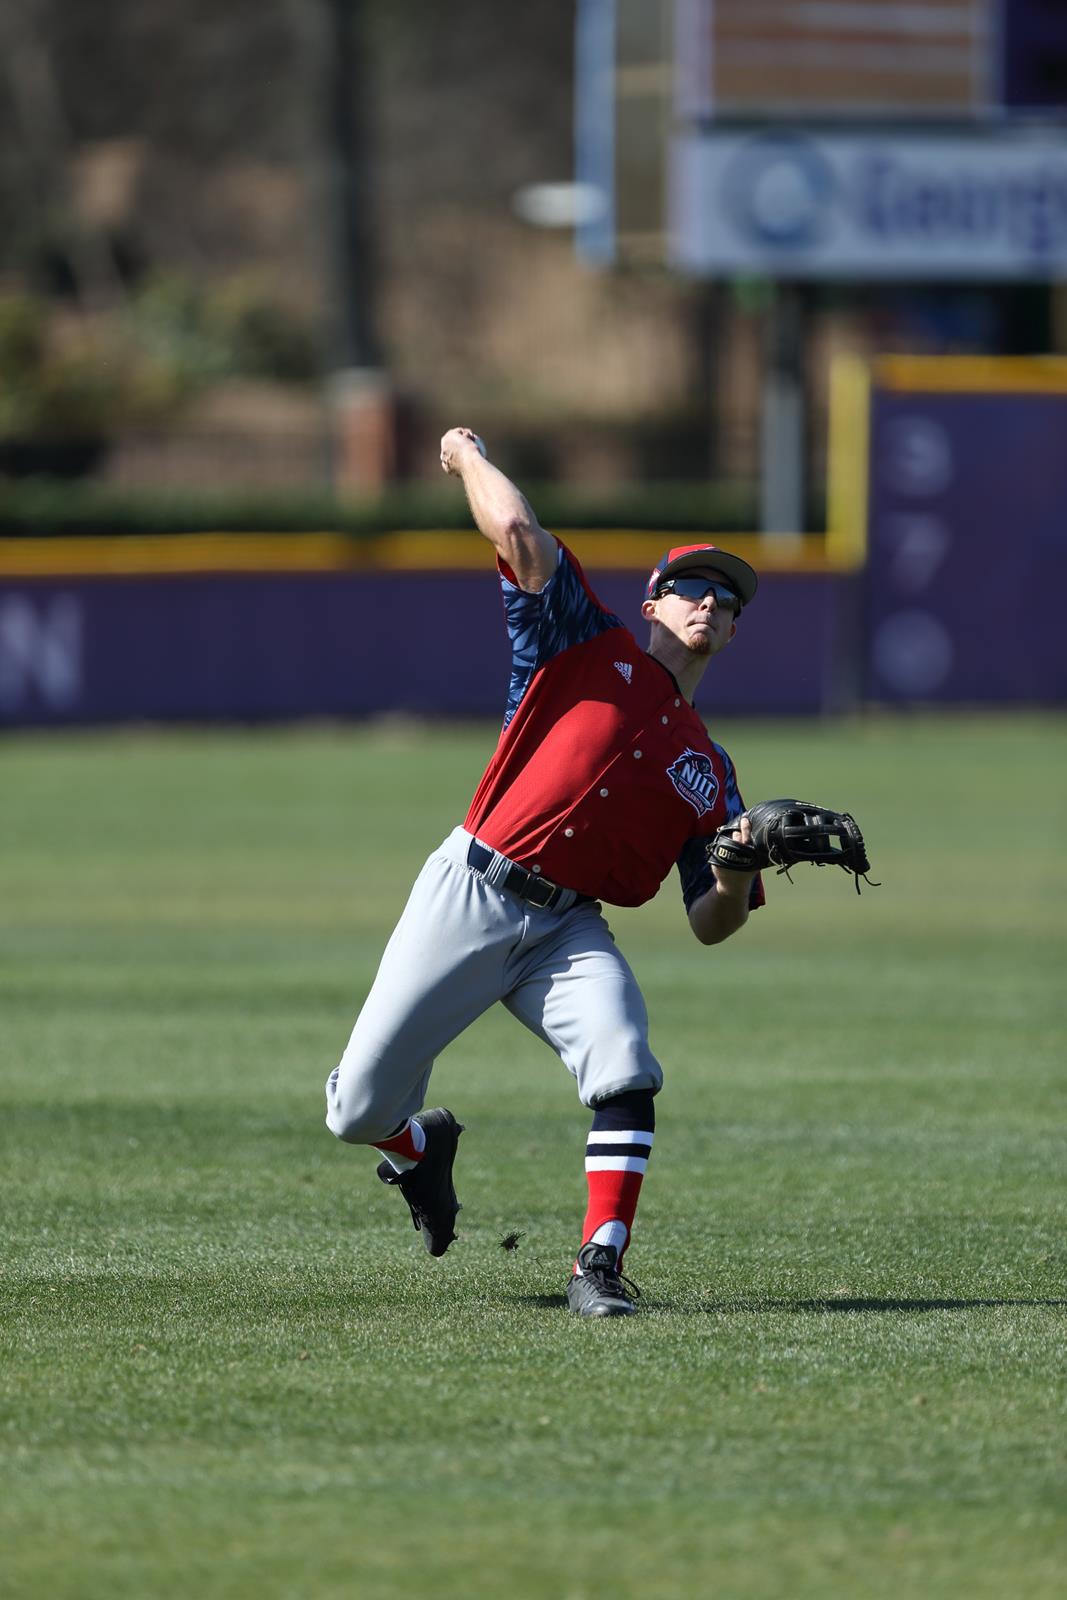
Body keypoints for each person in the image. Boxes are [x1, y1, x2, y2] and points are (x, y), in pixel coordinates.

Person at [325, 427, 764, 1317]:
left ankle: (597, 1266)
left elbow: (711, 921)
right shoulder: (579, 640)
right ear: (653, 599)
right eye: (692, 586)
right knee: (353, 1110)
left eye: (728, 600)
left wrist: (733, 863)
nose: (710, 604)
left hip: (567, 927)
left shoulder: (709, 769)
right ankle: (416, 1149)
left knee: (626, 1062)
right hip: (472, 889)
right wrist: (463, 454)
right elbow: (520, 537)